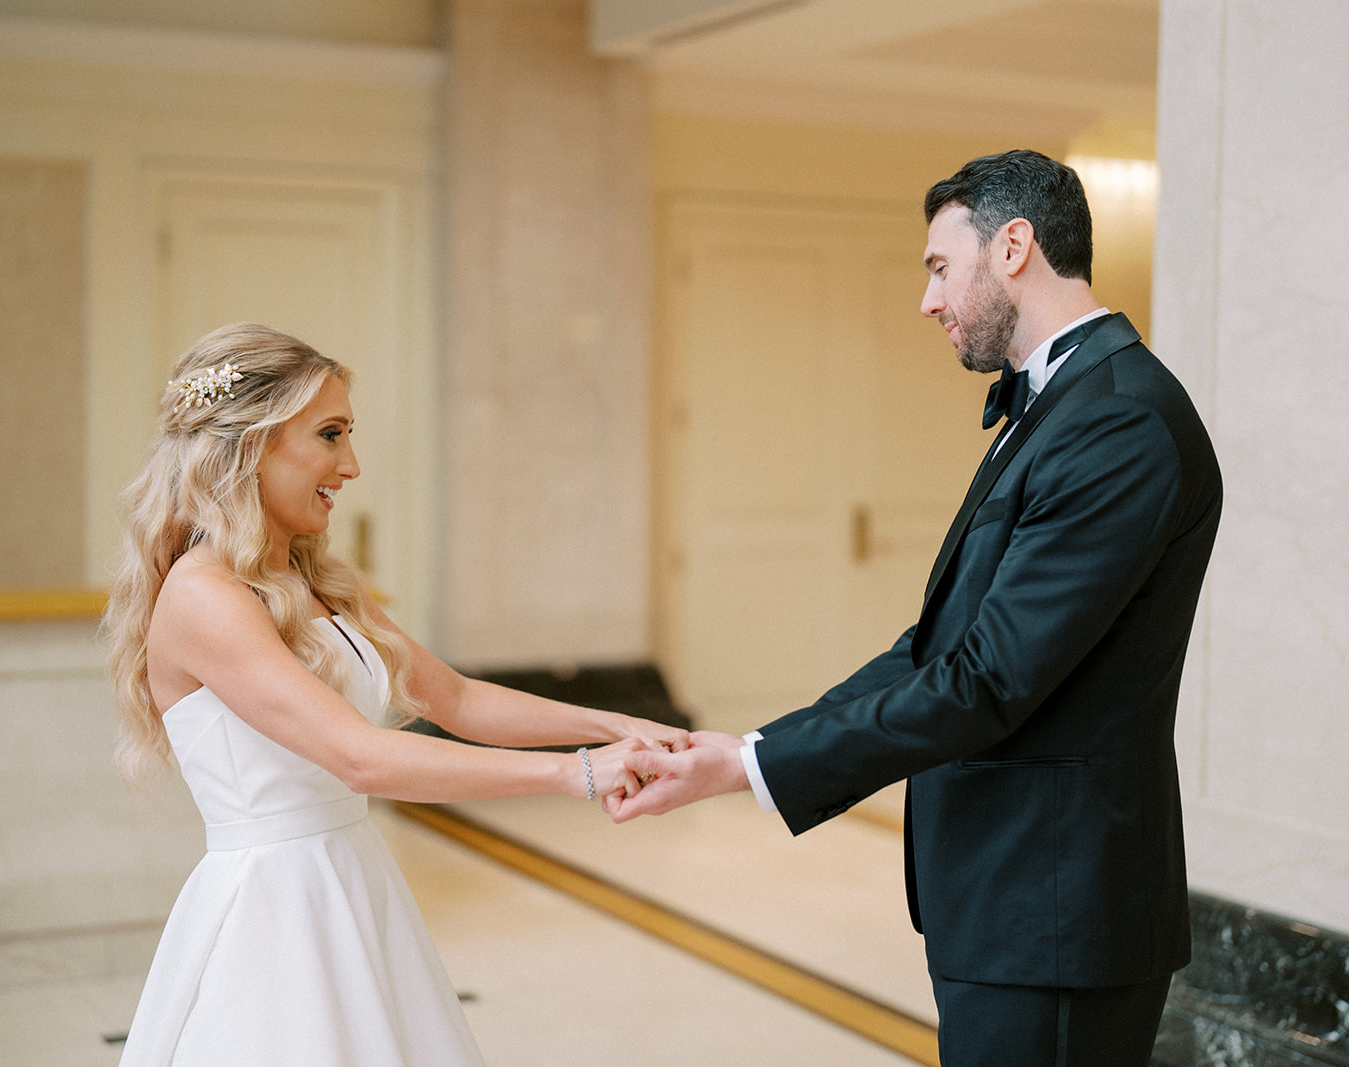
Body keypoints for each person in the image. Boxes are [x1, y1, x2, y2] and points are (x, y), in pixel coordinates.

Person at [610, 150, 1223, 1066]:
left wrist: (749, 769)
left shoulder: (1118, 419)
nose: (928, 300)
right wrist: (749, 747)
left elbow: (985, 682)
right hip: (1010, 902)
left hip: (1054, 907)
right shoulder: (1061, 406)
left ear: (1014, 246)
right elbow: (938, 647)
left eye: (941, 267)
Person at [106, 322, 685, 1066]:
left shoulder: (312, 581)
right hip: (275, 910)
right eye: (330, 434)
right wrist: (574, 773)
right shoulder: (205, 595)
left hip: (353, 876)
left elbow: (458, 700)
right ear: (252, 443)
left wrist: (613, 724)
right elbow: (362, 759)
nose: (350, 464)